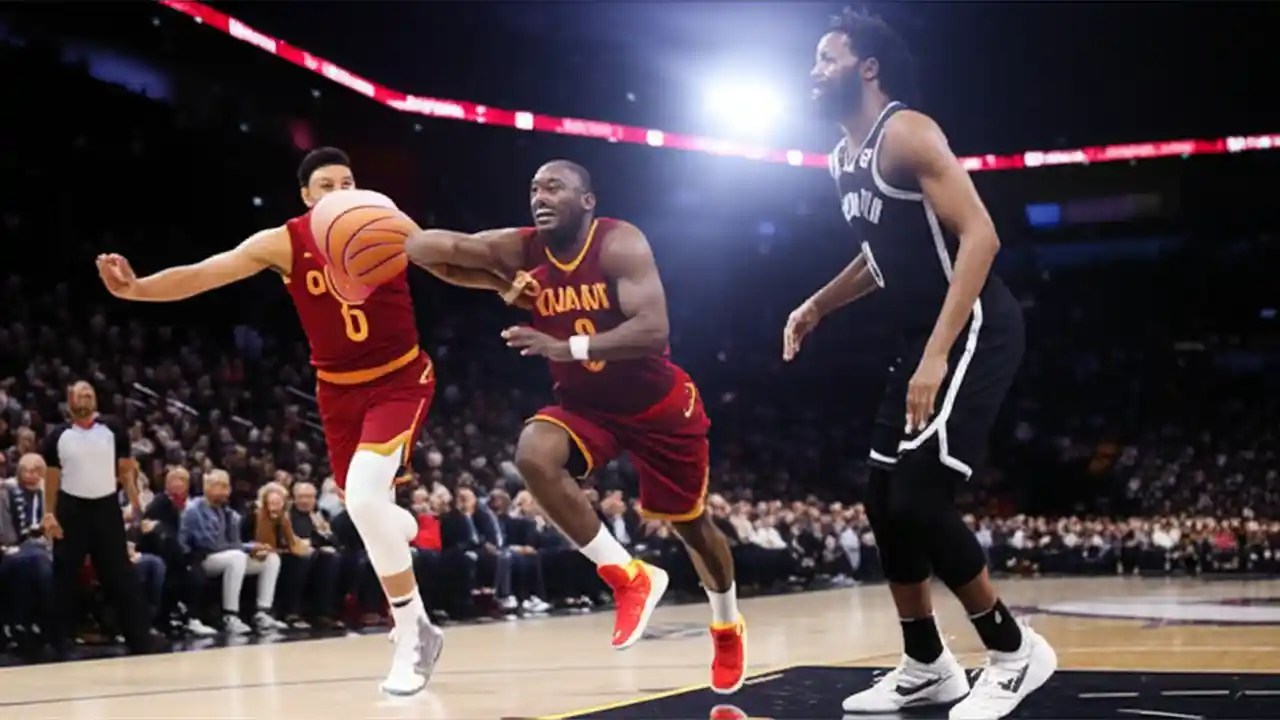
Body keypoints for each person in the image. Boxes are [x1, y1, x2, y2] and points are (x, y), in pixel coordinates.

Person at [92, 147, 507, 695]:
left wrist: (503, 281)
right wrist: (139, 288)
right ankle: (400, 529)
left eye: (348, 181)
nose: (340, 191)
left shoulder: (383, 221)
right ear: (308, 197)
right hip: (336, 392)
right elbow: (206, 273)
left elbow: (449, 260)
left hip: (399, 379)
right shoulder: (283, 241)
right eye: (327, 185)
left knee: (361, 499)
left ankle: (414, 630)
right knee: (370, 509)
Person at [788, 9, 1056, 718]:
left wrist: (936, 355)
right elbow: (879, 259)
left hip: (972, 327)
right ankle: (927, 665)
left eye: (826, 57)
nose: (812, 71)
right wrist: (817, 305)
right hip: (919, 337)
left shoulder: (907, 132)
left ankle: (1013, 650)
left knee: (918, 499)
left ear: (866, 67)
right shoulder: (840, 157)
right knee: (882, 503)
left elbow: (981, 238)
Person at [402, 160, 746, 694]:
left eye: (554, 187)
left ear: (587, 201)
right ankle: (625, 576)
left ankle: (726, 623)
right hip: (587, 406)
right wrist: (502, 282)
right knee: (532, 454)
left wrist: (567, 347)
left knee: (691, 525)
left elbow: (653, 331)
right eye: (534, 187)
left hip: (657, 406)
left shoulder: (619, 243)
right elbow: (428, 252)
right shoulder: (522, 249)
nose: (540, 196)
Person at [41, 381, 155, 657]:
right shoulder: (58, 435)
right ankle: (59, 641)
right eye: (80, 394)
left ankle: (139, 638)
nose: (86, 397)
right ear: (69, 401)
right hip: (71, 509)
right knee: (64, 574)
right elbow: (52, 479)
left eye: (90, 393)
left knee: (120, 574)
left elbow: (125, 469)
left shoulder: (113, 428)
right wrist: (48, 514)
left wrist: (135, 500)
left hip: (106, 508)